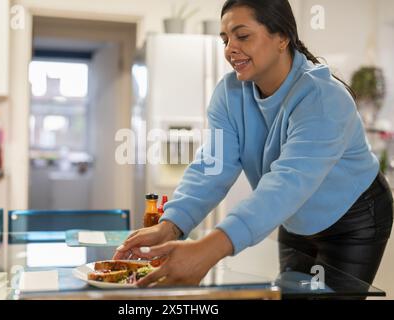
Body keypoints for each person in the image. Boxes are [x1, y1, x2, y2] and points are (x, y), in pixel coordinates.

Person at [114, 0, 394, 289]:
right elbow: (212, 166)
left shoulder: (323, 98)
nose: (229, 49)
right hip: (294, 215)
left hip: (353, 220)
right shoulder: (230, 93)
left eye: (242, 36)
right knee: (284, 295)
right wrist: (171, 225)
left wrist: (207, 250)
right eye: (225, 40)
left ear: (282, 37)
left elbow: (288, 182)